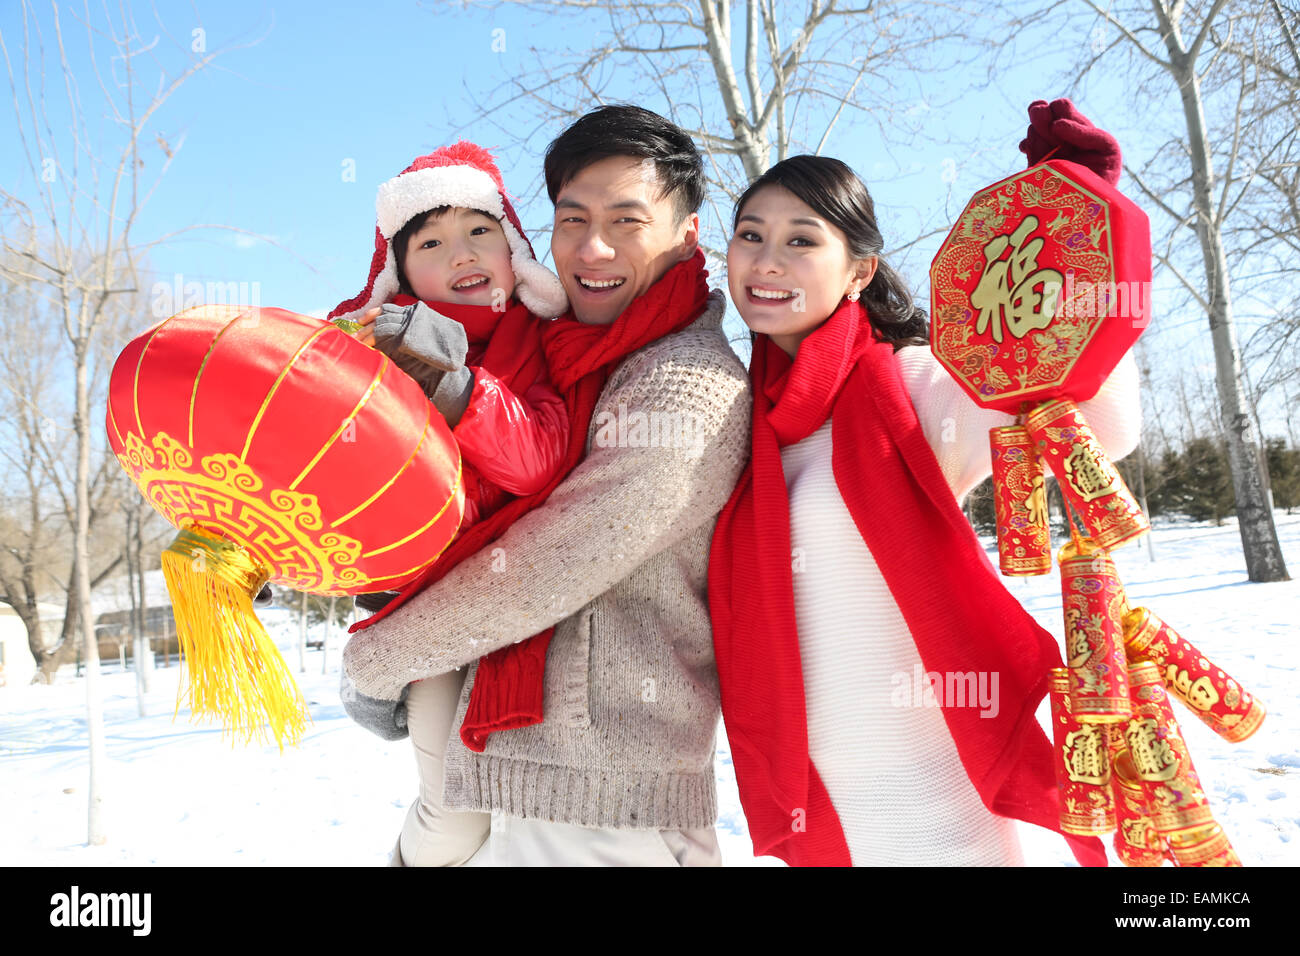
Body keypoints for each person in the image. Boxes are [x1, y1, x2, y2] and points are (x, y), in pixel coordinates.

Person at [340, 105, 752, 866]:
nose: (593, 248)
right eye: (573, 218)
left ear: (687, 236)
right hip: (526, 789)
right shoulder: (574, 357)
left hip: (607, 811)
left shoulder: (685, 385)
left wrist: (380, 657)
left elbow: (545, 564)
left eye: (627, 220)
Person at [709, 151, 1140, 866]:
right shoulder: (738, 418)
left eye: (801, 240)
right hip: (823, 805)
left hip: (940, 805)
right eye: (750, 235)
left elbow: (1103, 425)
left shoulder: (914, 383)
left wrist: (1078, 226)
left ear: (860, 271)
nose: (767, 261)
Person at [329, 141, 573, 866]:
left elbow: (537, 460)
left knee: (525, 821)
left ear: (514, 250)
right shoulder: (366, 353)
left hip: (526, 609)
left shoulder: (548, 340)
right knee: (454, 815)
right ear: (401, 271)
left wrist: (454, 381)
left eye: (479, 230)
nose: (460, 251)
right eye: (430, 241)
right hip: (435, 617)